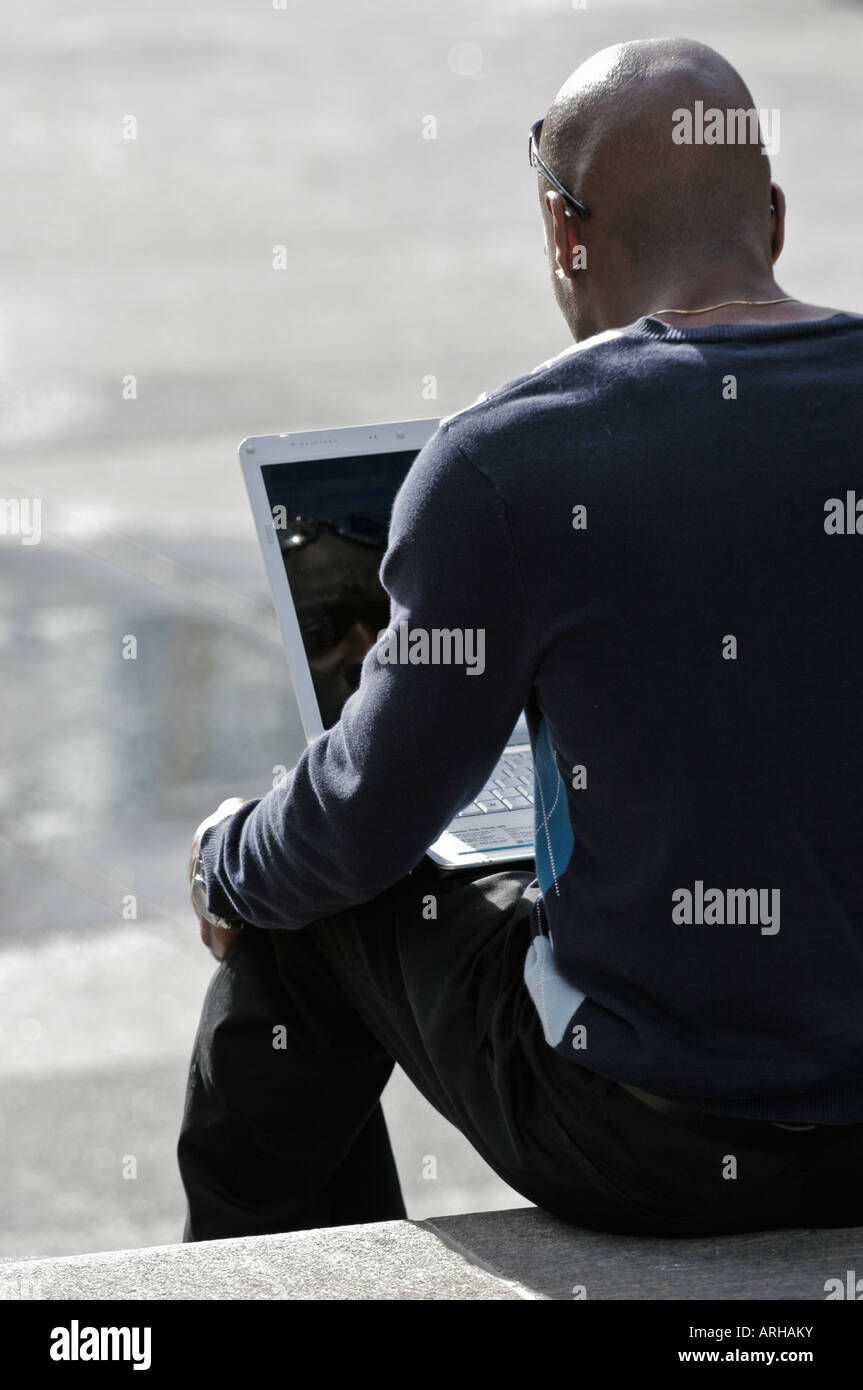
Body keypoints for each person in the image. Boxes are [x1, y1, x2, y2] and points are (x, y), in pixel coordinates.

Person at [178, 37, 863, 1239]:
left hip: (648, 1134)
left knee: (307, 899)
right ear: (774, 216)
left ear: (563, 233)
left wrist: (225, 858)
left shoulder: (511, 460)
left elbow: (357, 826)